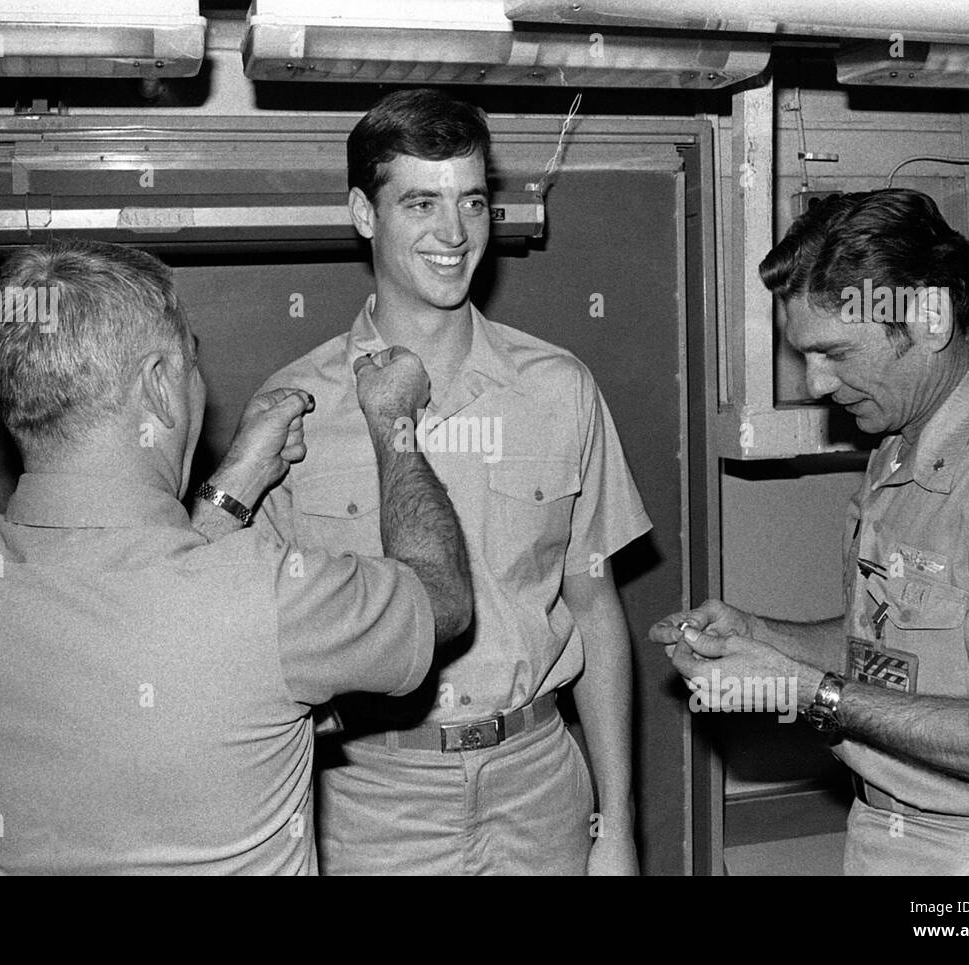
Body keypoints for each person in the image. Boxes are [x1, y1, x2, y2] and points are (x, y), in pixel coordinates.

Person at [0, 238, 471, 874]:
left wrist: (234, 486)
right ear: (158, 387)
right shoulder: (268, 595)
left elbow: (152, 620)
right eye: (189, 365)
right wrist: (394, 421)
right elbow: (441, 598)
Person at [254, 89, 652, 875]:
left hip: (539, 782)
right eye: (421, 203)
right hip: (372, 799)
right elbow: (257, 646)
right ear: (364, 214)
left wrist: (616, 824)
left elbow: (595, 608)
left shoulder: (559, 387)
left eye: (471, 202)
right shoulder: (295, 410)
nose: (454, 233)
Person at [652, 189, 969, 875]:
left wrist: (811, 691)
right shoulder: (898, 442)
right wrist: (761, 637)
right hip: (889, 833)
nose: (815, 382)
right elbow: (896, 645)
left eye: (833, 352)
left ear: (929, 316)